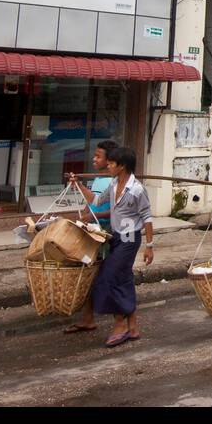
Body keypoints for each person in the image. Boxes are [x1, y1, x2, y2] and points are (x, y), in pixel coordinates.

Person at [70, 145, 154, 347]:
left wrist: (150, 246)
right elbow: (96, 200)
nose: (108, 165)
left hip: (129, 239)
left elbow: (147, 218)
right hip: (116, 237)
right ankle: (132, 326)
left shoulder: (137, 190)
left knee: (108, 277)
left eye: (111, 163)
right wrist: (79, 185)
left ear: (122, 166)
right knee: (123, 279)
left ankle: (120, 324)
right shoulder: (114, 184)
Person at [62, 139, 117, 335]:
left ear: (110, 160)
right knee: (88, 274)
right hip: (91, 230)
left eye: (98, 157)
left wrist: (92, 216)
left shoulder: (114, 182)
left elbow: (115, 211)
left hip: (104, 235)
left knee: (101, 277)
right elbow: (93, 202)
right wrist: (84, 213)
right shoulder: (98, 179)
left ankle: (121, 319)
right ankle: (88, 318)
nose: (94, 159)